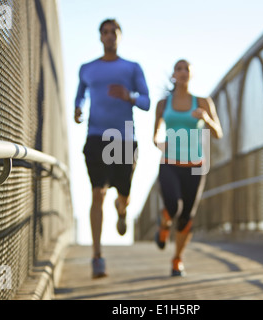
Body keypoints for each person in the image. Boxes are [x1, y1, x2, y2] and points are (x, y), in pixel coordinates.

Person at [74, 19, 150, 278]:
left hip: (124, 139)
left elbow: (147, 102)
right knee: (98, 193)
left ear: (119, 36)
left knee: (123, 193)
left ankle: (123, 209)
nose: (109, 36)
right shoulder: (87, 69)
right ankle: (97, 256)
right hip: (96, 137)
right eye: (105, 32)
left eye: (113, 32)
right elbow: (79, 95)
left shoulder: (131, 68)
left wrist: (129, 96)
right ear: (100, 37)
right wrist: (78, 109)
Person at [153, 59, 222, 276]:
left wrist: (206, 119)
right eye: (179, 69)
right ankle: (164, 223)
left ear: (191, 75)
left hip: (195, 166)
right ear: (174, 74)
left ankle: (177, 259)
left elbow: (218, 133)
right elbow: (154, 134)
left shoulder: (202, 102)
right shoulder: (163, 104)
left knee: (186, 218)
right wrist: (158, 143)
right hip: (170, 163)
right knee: (173, 207)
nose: (183, 72)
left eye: (187, 69)